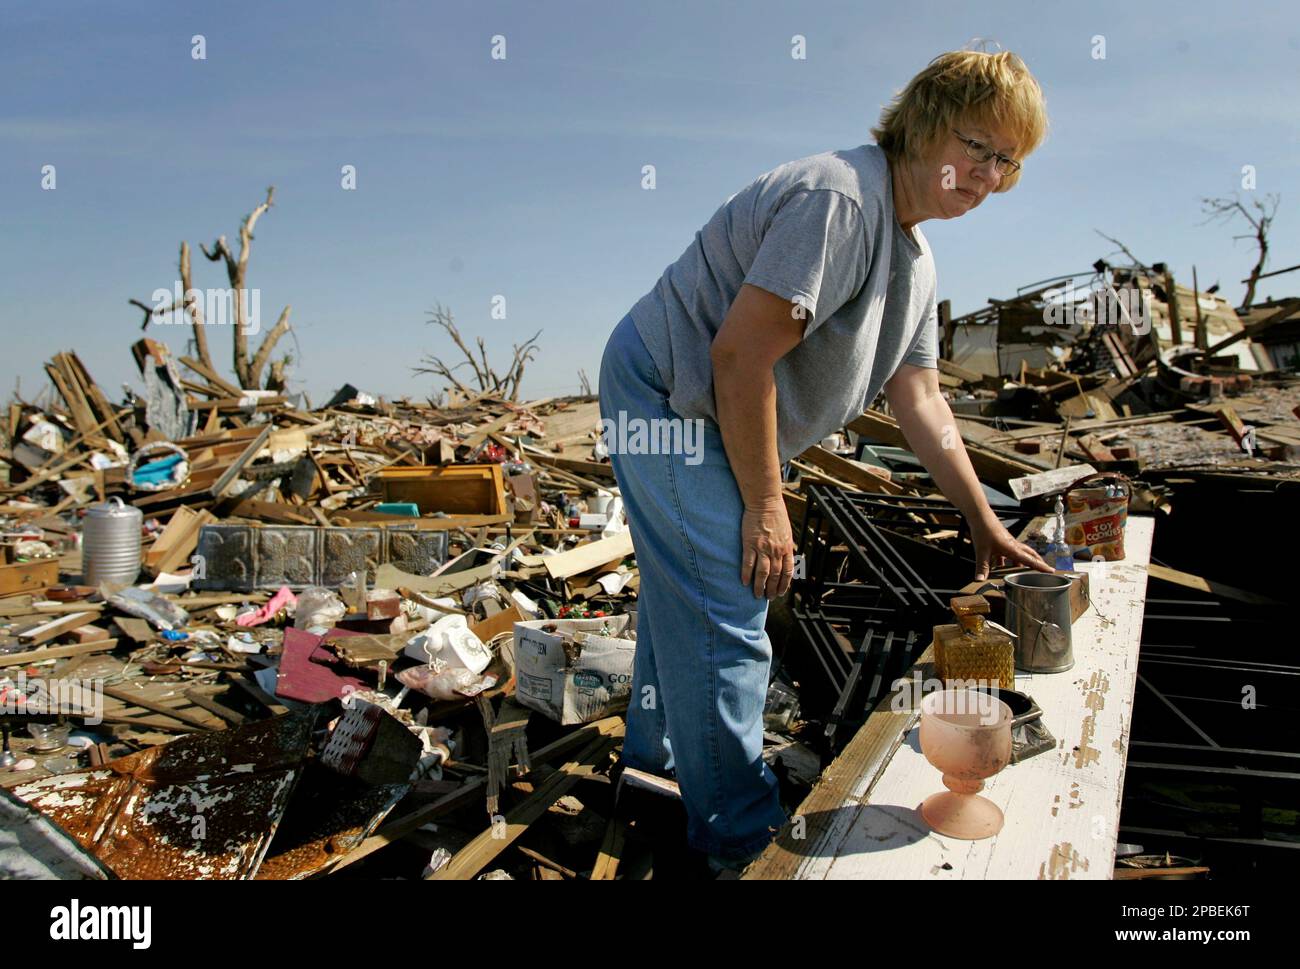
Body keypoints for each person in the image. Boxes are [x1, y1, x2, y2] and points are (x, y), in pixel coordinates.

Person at [598, 49, 1052, 873]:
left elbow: (922, 403)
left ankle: (652, 767)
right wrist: (768, 510)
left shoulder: (915, 260)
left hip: (720, 400)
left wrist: (982, 518)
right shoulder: (839, 201)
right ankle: (739, 838)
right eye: (975, 145)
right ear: (921, 122)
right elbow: (739, 358)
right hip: (666, 396)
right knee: (731, 595)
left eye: (1004, 161)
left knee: (686, 585)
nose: (985, 173)